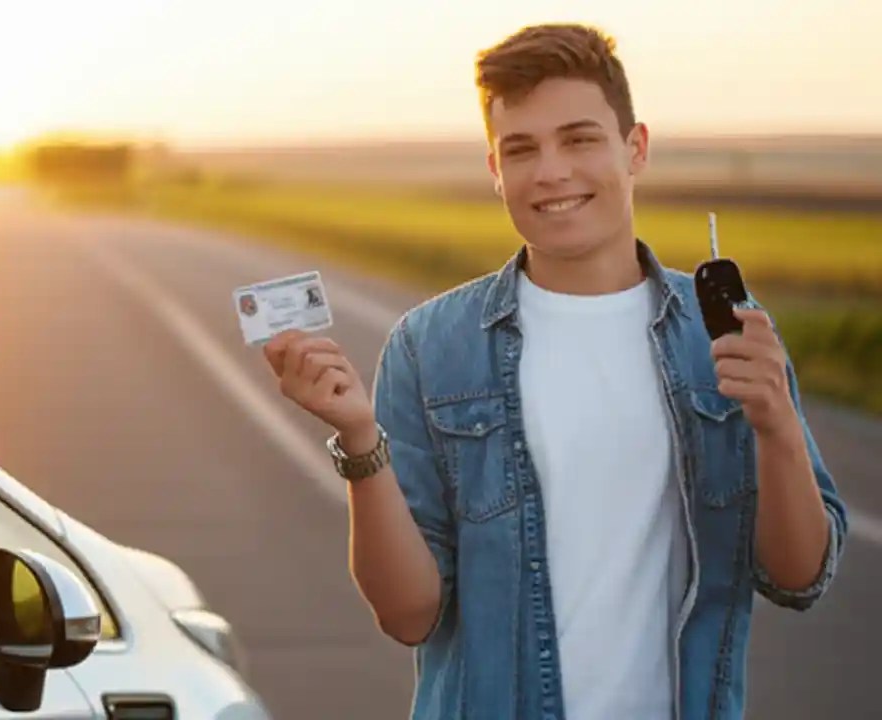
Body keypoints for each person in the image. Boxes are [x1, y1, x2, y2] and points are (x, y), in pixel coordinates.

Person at [261, 22, 847, 720]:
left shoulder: (723, 332)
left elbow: (798, 577)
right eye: (522, 149)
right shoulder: (430, 345)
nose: (551, 172)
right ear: (495, 170)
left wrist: (777, 427)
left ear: (635, 148)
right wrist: (361, 440)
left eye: (579, 139)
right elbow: (408, 615)